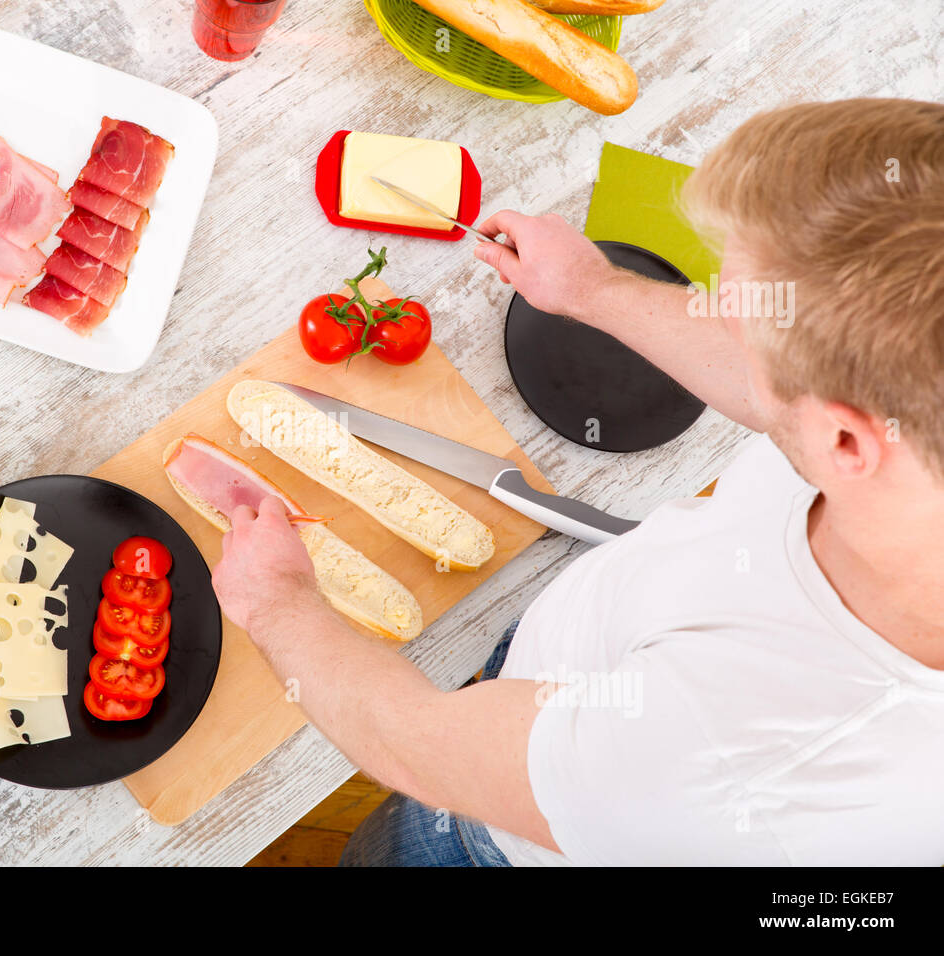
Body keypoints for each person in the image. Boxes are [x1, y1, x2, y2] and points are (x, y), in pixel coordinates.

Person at [211, 98, 944, 866]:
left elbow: (415, 748)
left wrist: (279, 604)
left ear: (845, 439)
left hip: (485, 837)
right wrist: (596, 291)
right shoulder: (895, 430)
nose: (721, 315)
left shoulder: (730, 760)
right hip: (577, 661)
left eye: (740, 315)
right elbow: (773, 385)